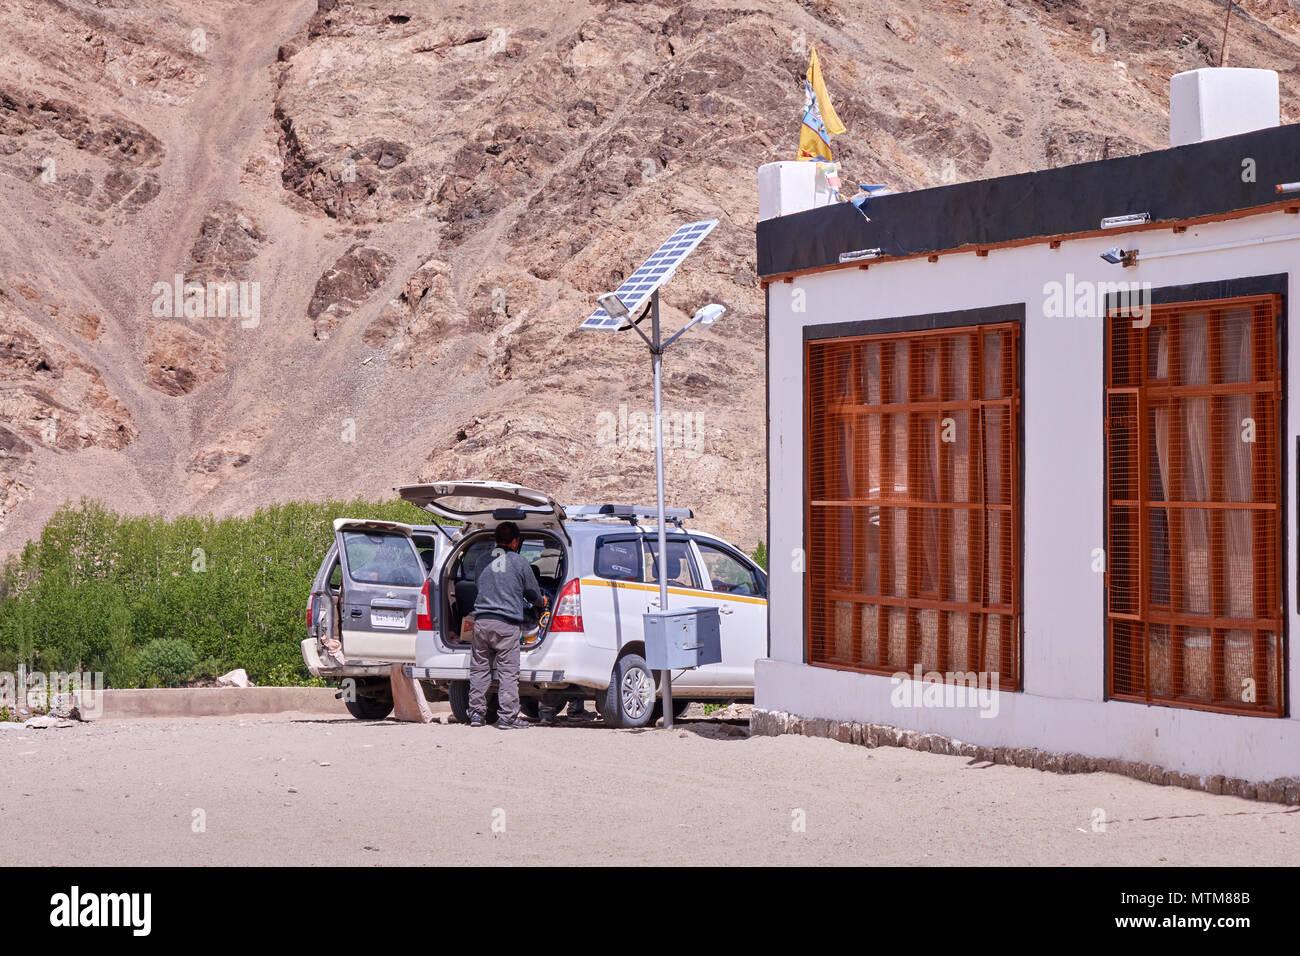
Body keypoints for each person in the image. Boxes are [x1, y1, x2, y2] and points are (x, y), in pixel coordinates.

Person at [468, 522, 547, 729]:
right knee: (508, 672)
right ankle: (507, 717)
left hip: (482, 622)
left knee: (479, 669)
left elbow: (479, 584)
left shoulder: (481, 560)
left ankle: (476, 715)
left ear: (496, 540)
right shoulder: (520, 562)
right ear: (515, 541)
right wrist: (542, 602)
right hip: (506, 625)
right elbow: (532, 594)